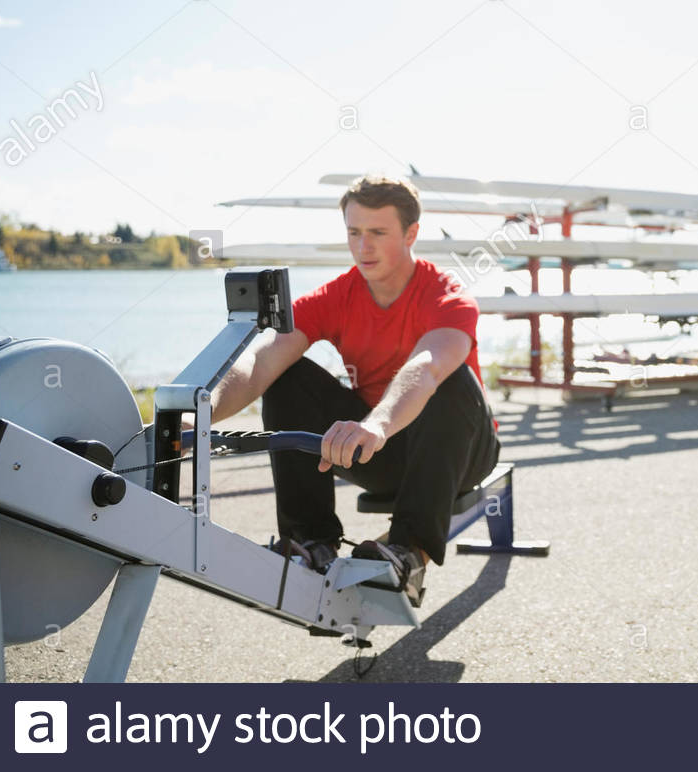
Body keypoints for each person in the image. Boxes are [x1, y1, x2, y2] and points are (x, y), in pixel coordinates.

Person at [208, 174, 498, 607]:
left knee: (452, 379)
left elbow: (427, 368)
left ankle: (409, 553)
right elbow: (259, 362)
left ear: (411, 234)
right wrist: (194, 410)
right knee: (286, 376)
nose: (364, 247)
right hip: (380, 452)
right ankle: (312, 543)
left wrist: (378, 423)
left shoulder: (447, 297)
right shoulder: (338, 296)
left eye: (378, 233)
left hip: (457, 453)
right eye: (355, 233)